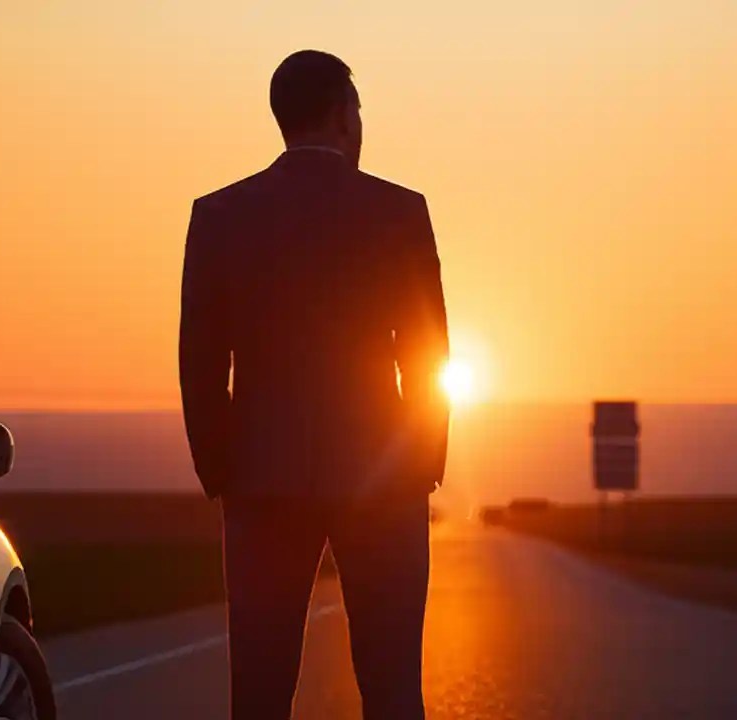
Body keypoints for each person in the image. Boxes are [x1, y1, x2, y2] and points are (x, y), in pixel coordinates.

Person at [179, 49, 450, 720]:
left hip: (261, 481)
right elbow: (425, 353)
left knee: (261, 694)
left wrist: (223, 472)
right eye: (358, 110)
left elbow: (202, 360)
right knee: (391, 689)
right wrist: (422, 462)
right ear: (340, 117)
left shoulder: (220, 215)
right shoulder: (399, 211)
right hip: (383, 480)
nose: (361, 125)